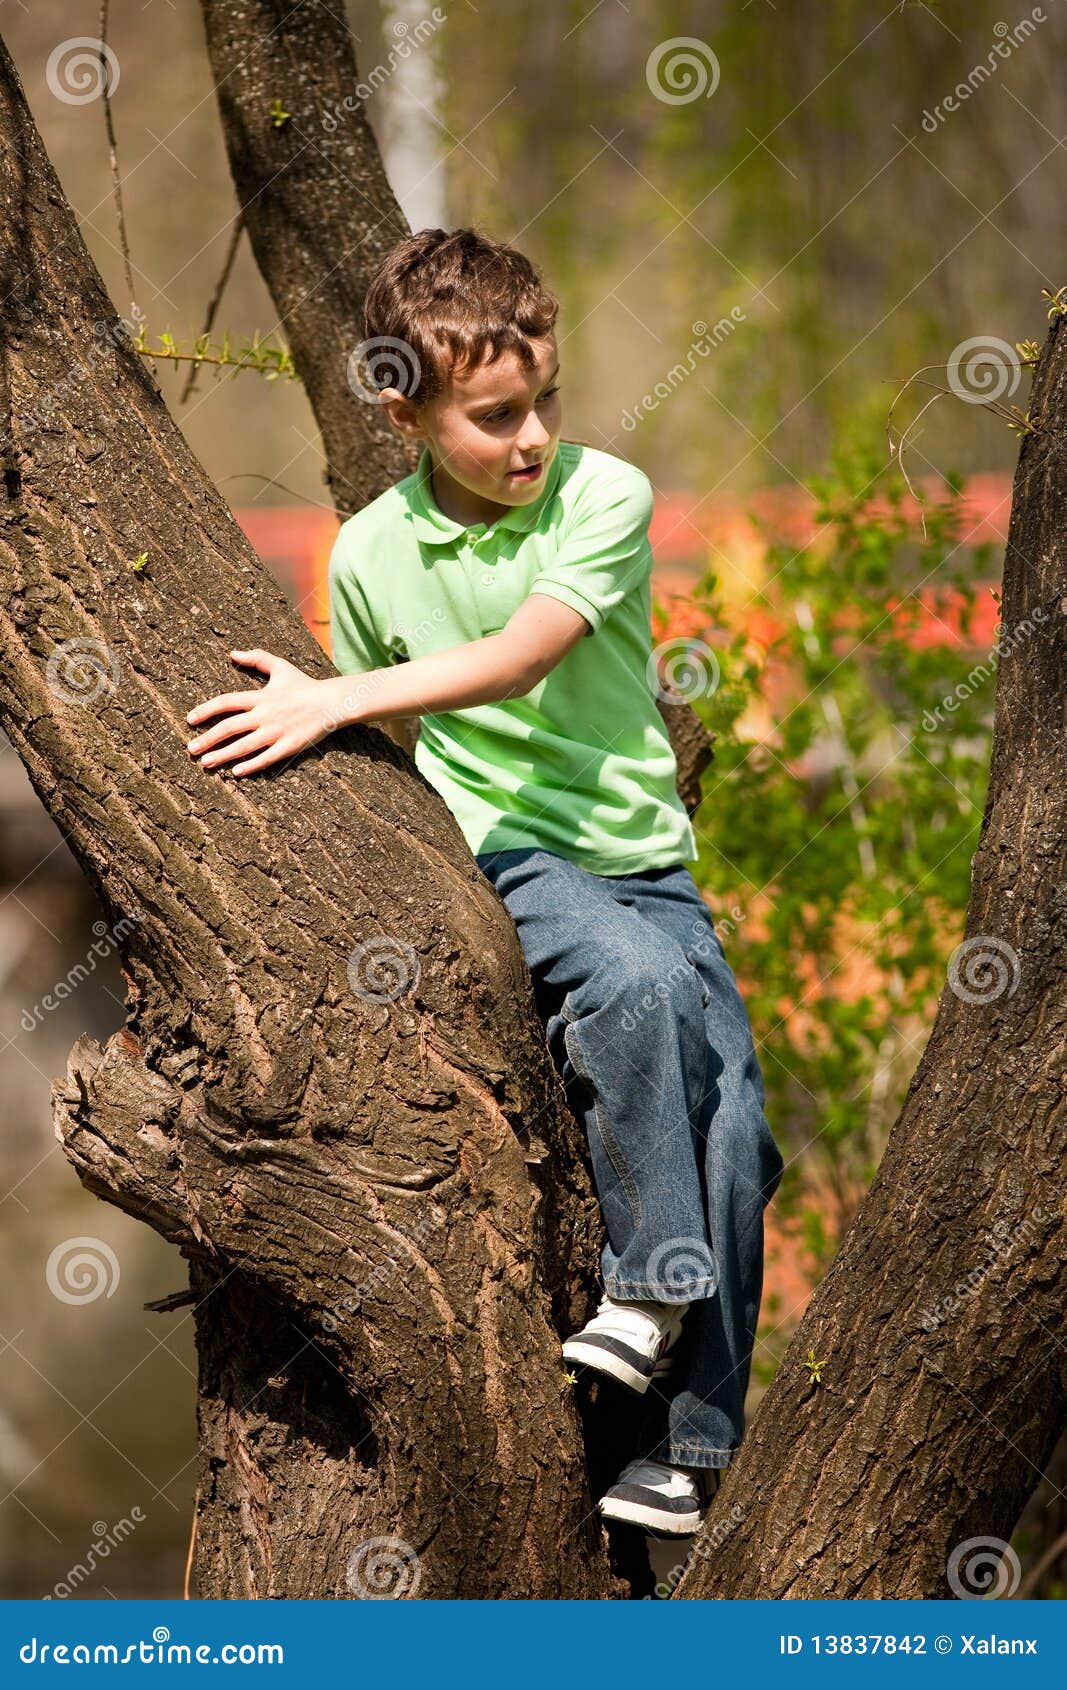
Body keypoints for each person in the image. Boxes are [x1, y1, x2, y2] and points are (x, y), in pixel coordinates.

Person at [184, 226, 785, 1539]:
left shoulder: (604, 496)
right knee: (623, 988)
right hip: (513, 849)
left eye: (545, 401)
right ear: (403, 407)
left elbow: (524, 653)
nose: (532, 438)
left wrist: (340, 691)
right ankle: (648, 1285)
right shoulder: (372, 557)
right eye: (497, 415)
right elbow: (401, 743)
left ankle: (687, 1450)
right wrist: (331, 710)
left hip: (650, 866)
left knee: (744, 1132)